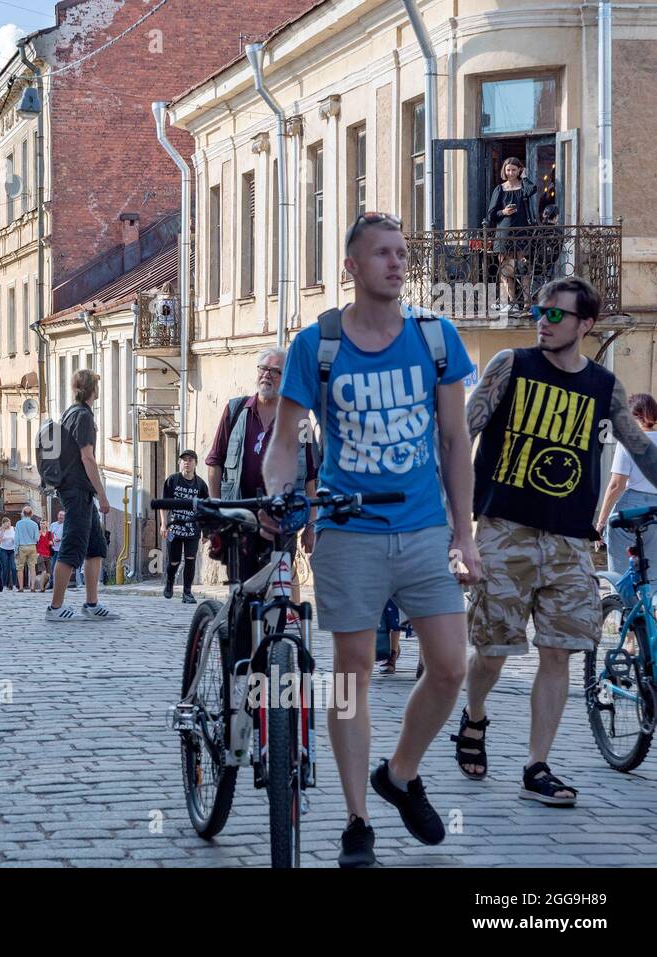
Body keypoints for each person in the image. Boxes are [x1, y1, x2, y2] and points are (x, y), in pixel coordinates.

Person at [263, 211, 479, 867]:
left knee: (450, 664)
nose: (396, 262)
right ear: (352, 267)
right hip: (347, 528)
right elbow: (284, 444)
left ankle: (401, 773)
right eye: (381, 253)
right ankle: (358, 822)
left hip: (422, 528)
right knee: (351, 673)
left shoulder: (436, 339)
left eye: (402, 252)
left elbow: (453, 442)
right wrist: (281, 498)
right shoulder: (317, 345)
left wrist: (464, 534)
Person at [458, 276, 657, 807]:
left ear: (585, 324)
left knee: (559, 652)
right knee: (493, 650)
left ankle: (536, 766)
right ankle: (474, 716)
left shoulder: (604, 385)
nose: (542, 322)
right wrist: (452, 523)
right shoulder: (510, 365)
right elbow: (462, 434)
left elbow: (641, 450)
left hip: (570, 539)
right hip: (504, 528)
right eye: (539, 312)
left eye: (555, 315)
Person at [205, 348, 317, 599]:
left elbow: (311, 475)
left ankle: (275, 634)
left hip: (282, 518)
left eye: (275, 371)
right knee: (243, 590)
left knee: (280, 587)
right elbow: (215, 462)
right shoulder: (235, 411)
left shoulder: (301, 421)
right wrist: (216, 506)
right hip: (241, 515)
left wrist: (311, 525)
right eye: (263, 369)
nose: (267, 375)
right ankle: (241, 634)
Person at [46, 369, 115, 621]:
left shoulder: (71, 412)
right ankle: (55, 608)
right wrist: (103, 495)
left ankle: (91, 603)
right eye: (97, 384)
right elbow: (87, 457)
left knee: (95, 547)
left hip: (78, 490)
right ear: (92, 390)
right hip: (77, 491)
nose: (99, 389)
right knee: (72, 548)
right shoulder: (83, 417)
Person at [596, 393, 657, 574]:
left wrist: (601, 523)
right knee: (653, 574)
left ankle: (622, 602)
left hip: (630, 509)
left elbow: (616, 485)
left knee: (620, 570)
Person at [159, 450, 210, 603]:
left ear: (195, 463)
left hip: (192, 529)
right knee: (174, 561)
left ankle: (187, 592)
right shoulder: (172, 480)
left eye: (190, 460)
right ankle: (169, 583)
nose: (187, 462)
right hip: (175, 528)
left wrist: (206, 532)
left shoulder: (201, 485)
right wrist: (163, 524)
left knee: (190, 559)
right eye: (184, 460)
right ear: (180, 463)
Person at [486, 156, 537, 308]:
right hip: (504, 234)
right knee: (506, 269)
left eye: (514, 170)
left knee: (524, 268)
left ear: (519, 170)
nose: (510, 173)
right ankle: (512, 302)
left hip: (521, 233)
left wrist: (525, 177)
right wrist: (503, 212)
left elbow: (532, 189)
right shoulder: (500, 189)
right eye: (508, 170)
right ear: (504, 170)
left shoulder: (524, 186)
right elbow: (491, 215)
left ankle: (527, 303)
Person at [14, 507, 40, 591]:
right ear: (31, 514)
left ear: (23, 513)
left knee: (20, 568)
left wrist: (16, 549)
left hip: (22, 546)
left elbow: (16, 538)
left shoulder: (18, 523)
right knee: (32, 567)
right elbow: (37, 538)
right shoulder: (35, 524)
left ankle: (21, 587)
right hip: (32, 546)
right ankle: (32, 587)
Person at [0, 517, 18, 592]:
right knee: (5, 568)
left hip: (12, 550)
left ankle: (14, 585)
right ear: (3, 523)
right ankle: (4, 586)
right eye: (7, 523)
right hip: (3, 550)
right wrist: (3, 530)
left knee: (13, 568)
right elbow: (0, 539)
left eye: (9, 523)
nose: (9, 524)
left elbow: (17, 539)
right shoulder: (0, 529)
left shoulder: (14, 529)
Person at [35, 523, 53, 592]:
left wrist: (51, 542)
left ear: (46, 525)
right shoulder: (37, 533)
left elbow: (51, 542)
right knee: (44, 571)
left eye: (44, 524)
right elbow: (35, 542)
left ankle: (43, 586)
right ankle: (42, 588)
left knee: (48, 574)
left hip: (48, 554)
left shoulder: (49, 534)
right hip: (40, 554)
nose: (42, 525)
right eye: (41, 524)